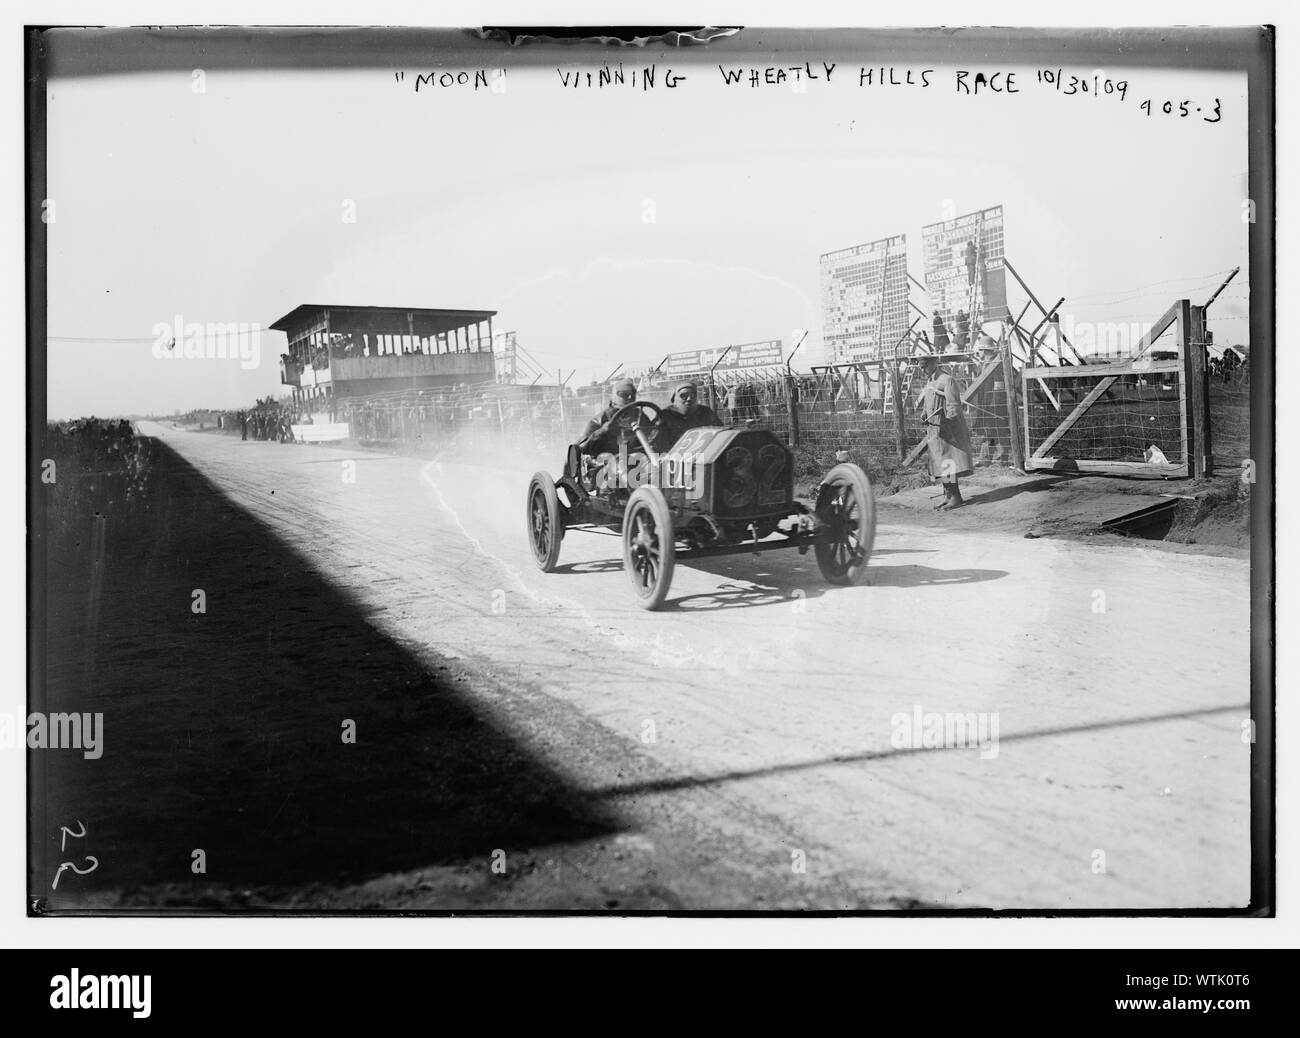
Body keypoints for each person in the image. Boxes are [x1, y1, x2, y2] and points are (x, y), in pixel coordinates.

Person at [916, 350, 974, 510]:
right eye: (921, 367)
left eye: (925, 366)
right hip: (934, 431)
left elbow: (953, 406)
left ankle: (956, 497)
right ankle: (947, 495)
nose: (923, 369)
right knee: (941, 464)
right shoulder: (930, 383)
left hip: (947, 430)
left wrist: (948, 423)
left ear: (935, 363)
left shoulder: (946, 380)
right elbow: (929, 404)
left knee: (948, 463)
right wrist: (924, 415)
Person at [658, 380, 722, 446]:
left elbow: (720, 433)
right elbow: (658, 444)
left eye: (692, 395)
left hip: (703, 450)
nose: (689, 399)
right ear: (675, 397)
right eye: (683, 396)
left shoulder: (705, 412)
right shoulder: (666, 415)